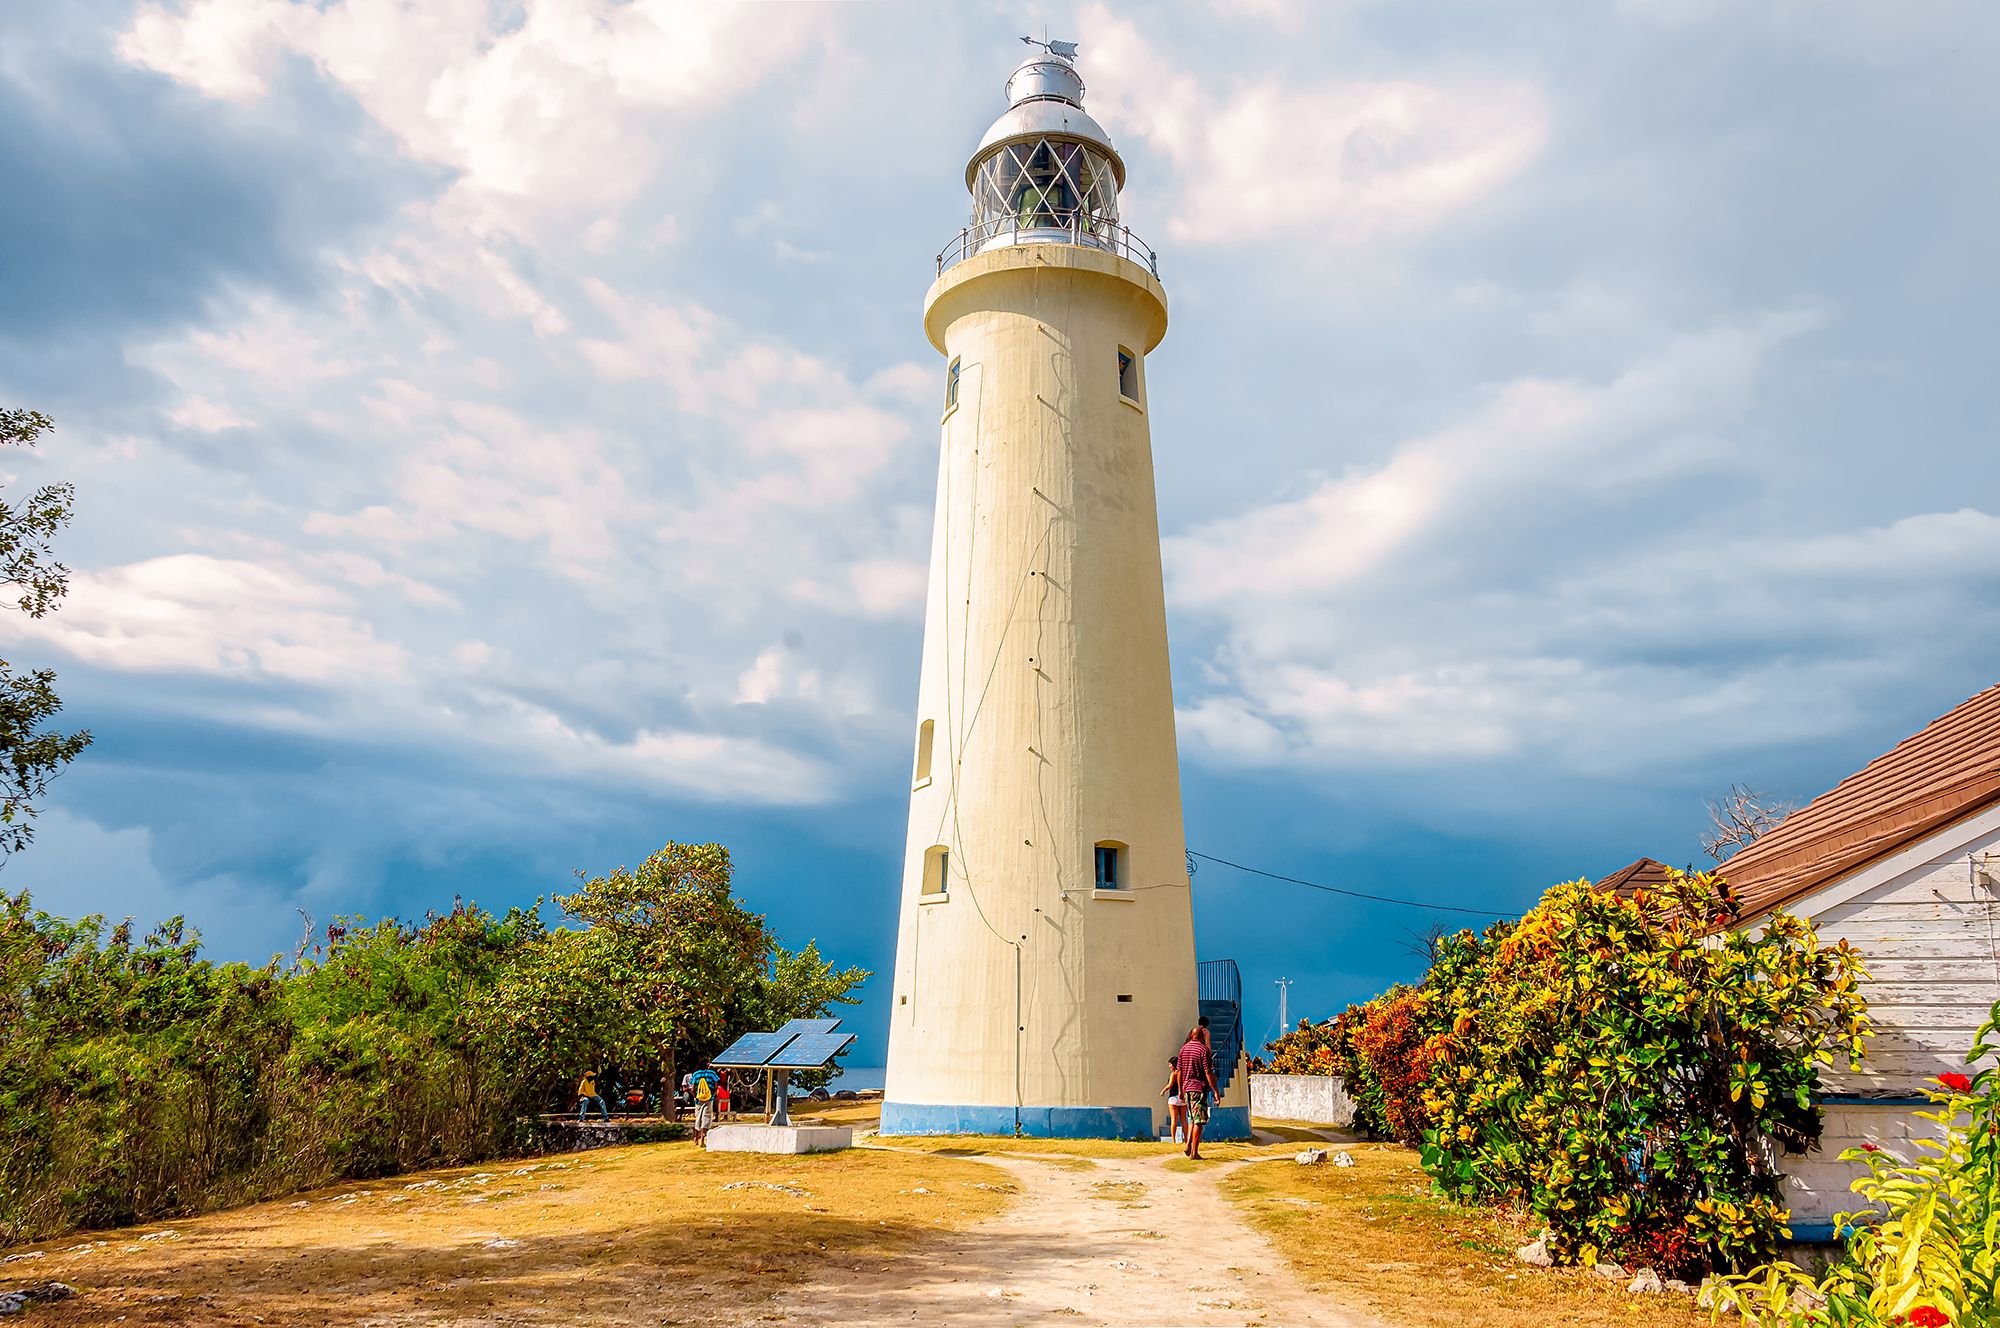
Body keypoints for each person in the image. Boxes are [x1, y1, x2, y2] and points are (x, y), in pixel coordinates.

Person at [1175, 1026, 1216, 1160]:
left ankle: (1188, 1145)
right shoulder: (1204, 1050)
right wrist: (1215, 1090)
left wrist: (1180, 1089)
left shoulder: (1183, 1049)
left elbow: (1179, 1071)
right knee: (1199, 1121)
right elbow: (1208, 1072)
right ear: (1202, 1037)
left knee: (1192, 1118)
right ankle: (1194, 1152)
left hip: (1186, 1088)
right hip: (1198, 1088)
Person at [688, 1065, 721, 1143]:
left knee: (698, 1117)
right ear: (707, 1064)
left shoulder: (696, 1074)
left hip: (699, 1099)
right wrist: (713, 1094)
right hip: (709, 1098)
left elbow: (692, 1088)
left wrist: (695, 1097)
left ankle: (696, 1139)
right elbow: (716, 1085)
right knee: (706, 1117)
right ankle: (703, 1139)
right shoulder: (712, 1073)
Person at [1161, 1057, 1185, 1143]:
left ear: (1174, 1064)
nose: (1169, 1066)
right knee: (1183, 1120)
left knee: (1174, 1119)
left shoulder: (1174, 1074)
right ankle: (1186, 1138)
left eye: (1170, 1064)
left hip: (1173, 1098)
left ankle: (1174, 1139)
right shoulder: (1183, 1073)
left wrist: (1163, 1091)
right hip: (1183, 1098)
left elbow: (1170, 1085)